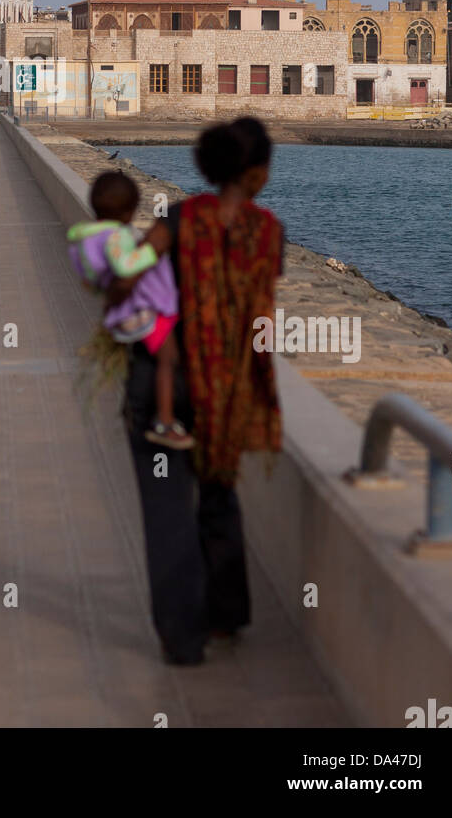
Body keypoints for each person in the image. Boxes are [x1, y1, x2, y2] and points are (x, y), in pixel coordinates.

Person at [113, 116, 284, 666]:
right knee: (218, 492)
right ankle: (225, 616)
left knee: (166, 511)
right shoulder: (270, 234)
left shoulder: (179, 219)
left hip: (162, 383)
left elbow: (127, 274)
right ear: (258, 175)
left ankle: (181, 637)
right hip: (226, 387)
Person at [67, 171, 192, 449]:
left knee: (153, 360)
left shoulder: (86, 239)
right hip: (138, 313)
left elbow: (91, 278)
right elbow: (126, 268)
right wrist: (153, 251)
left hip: (122, 315)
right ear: (130, 211)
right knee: (168, 358)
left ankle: (150, 411)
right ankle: (165, 421)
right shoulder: (114, 237)